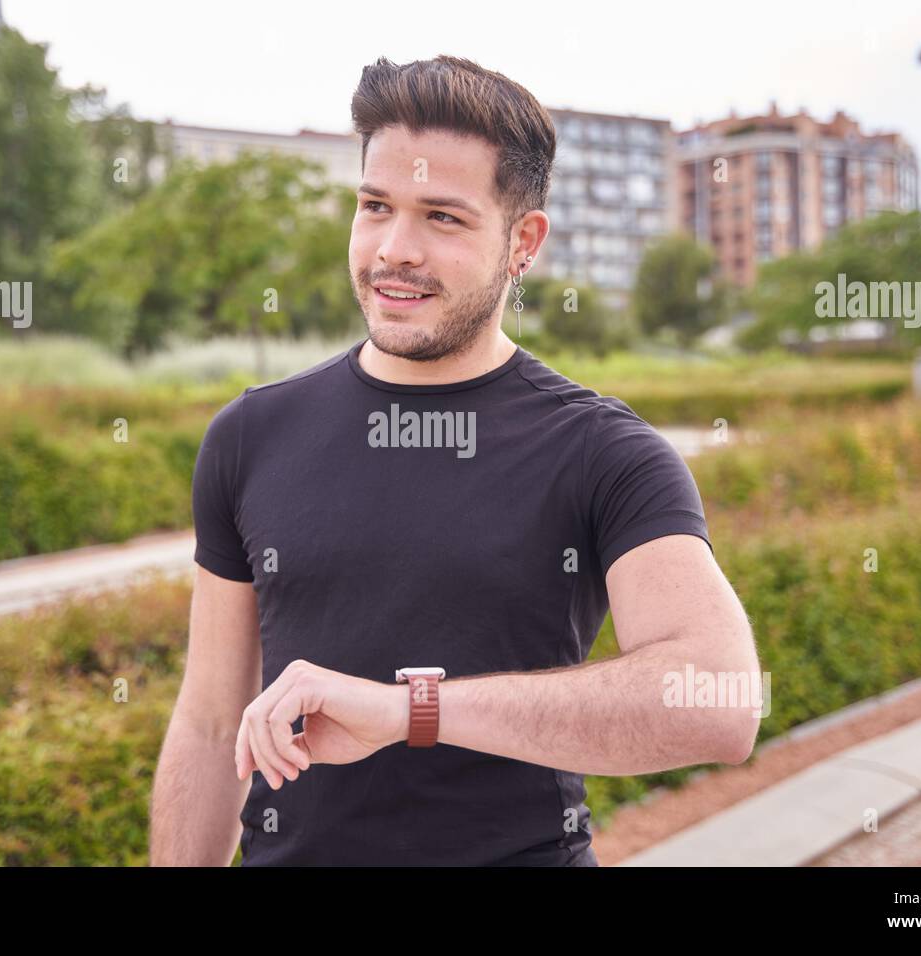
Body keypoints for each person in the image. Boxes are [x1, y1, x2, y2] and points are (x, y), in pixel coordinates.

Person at [150, 55, 760, 867]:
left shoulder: (604, 453)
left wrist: (412, 711)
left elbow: (719, 701)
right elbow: (210, 722)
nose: (394, 249)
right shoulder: (251, 434)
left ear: (524, 242)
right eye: (376, 206)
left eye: (442, 217)